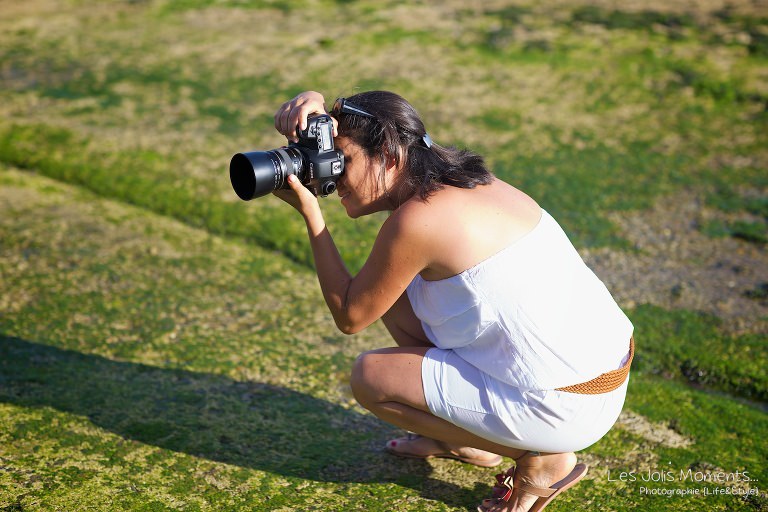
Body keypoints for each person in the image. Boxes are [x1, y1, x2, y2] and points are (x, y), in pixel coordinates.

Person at [272, 90, 634, 512]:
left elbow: (350, 316)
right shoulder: (466, 181)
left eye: (343, 161)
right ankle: (462, 439)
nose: (331, 177)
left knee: (371, 378)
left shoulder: (418, 220)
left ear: (389, 156)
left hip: (566, 406)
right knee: (398, 288)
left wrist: (310, 212)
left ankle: (541, 458)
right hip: (603, 374)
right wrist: (317, 103)